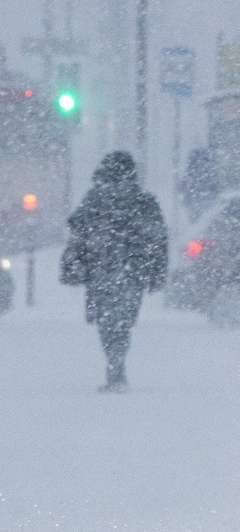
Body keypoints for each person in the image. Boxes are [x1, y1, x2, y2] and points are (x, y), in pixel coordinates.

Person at [62, 151, 167, 392]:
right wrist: (156, 272)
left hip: (102, 269)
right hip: (133, 270)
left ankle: (114, 365)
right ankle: (117, 365)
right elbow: (158, 239)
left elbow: (78, 231)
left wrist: (74, 263)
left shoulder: (95, 198)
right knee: (123, 321)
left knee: (107, 322)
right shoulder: (144, 201)